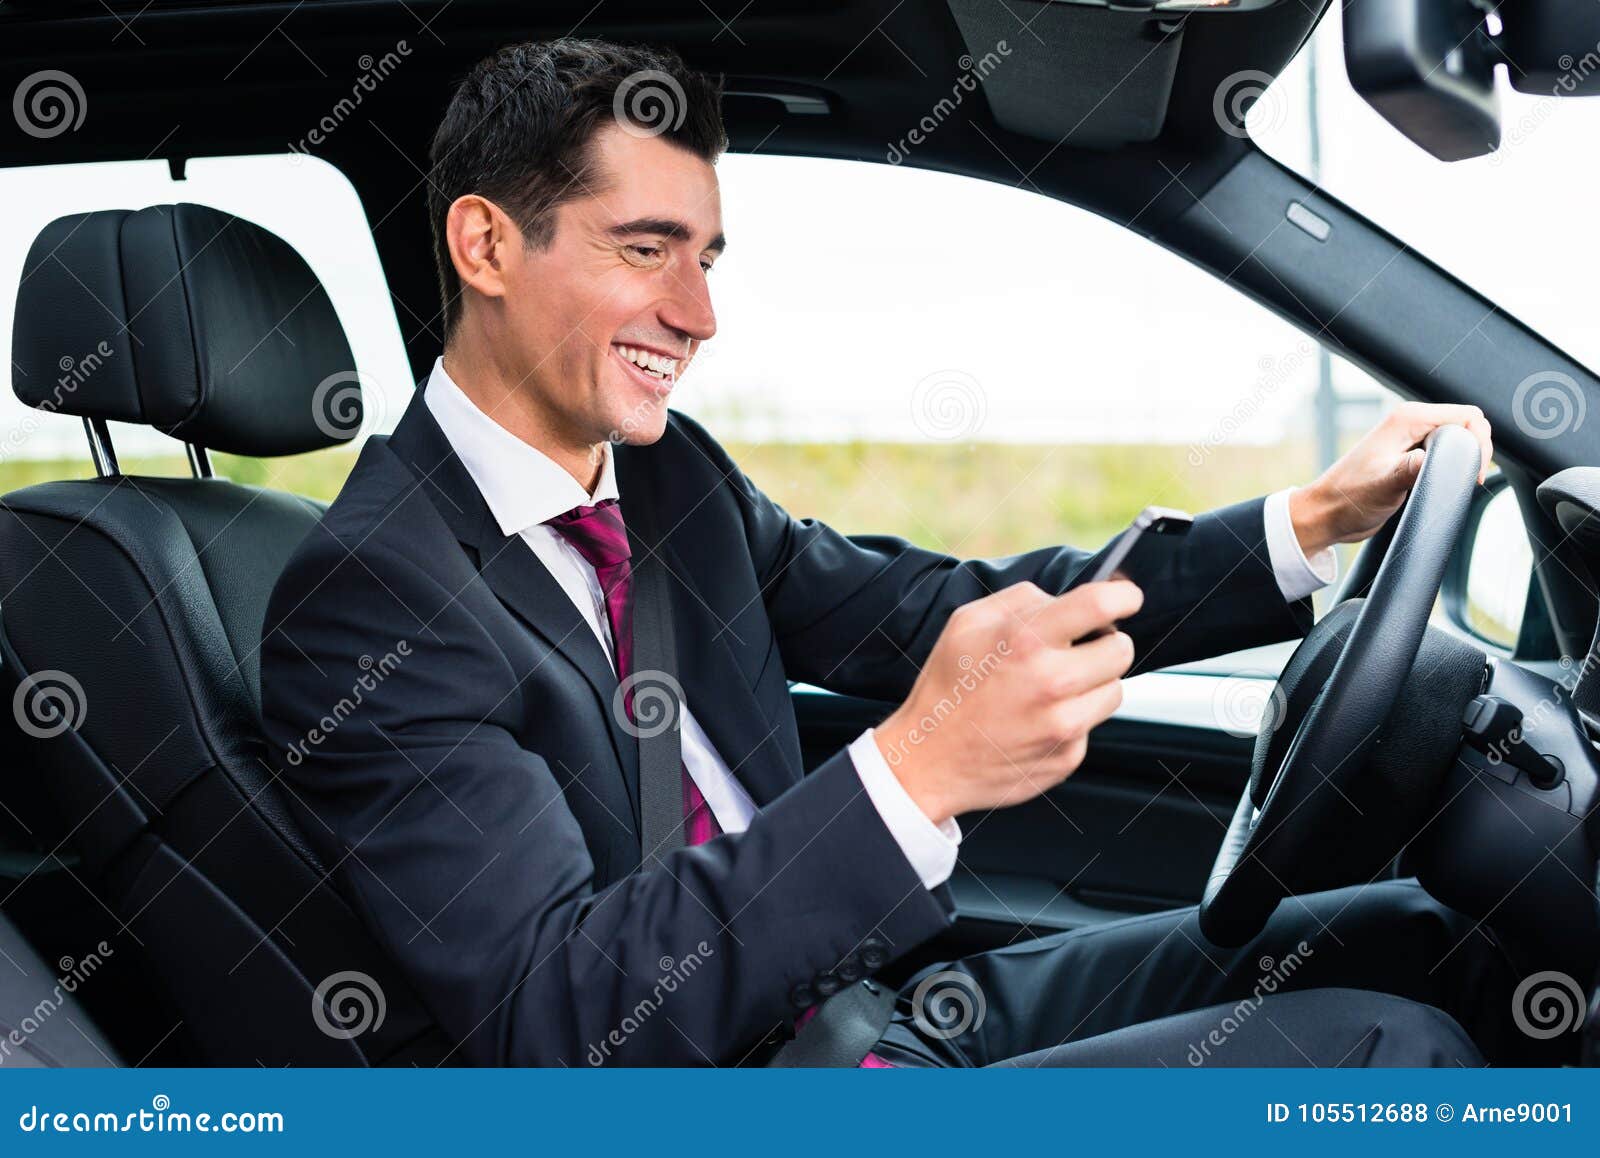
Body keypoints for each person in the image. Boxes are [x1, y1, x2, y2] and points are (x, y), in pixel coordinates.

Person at [260, 38, 1514, 1067]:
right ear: (485, 247)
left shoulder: (664, 473)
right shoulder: (372, 597)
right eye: (644, 250)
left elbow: (930, 612)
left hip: (885, 1011)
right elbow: (563, 1018)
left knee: (1423, 933)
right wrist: (913, 769)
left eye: (705, 258)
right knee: (1379, 1058)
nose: (698, 315)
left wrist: (1307, 524)